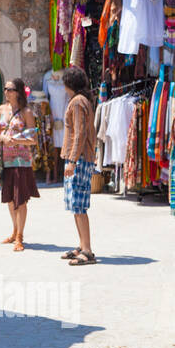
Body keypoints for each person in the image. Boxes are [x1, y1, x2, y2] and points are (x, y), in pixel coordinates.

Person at [0, 78, 39, 251]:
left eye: (10, 89)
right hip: (6, 160)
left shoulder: (26, 112)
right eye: (5, 88)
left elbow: (33, 139)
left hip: (22, 161)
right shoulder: (1, 109)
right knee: (10, 199)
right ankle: (14, 231)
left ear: (19, 91)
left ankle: (20, 236)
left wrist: (17, 140)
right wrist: (4, 138)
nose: (7, 92)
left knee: (20, 199)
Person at [61, 65, 99, 266]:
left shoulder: (77, 102)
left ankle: (87, 250)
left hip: (80, 158)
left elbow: (80, 133)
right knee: (76, 204)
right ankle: (82, 244)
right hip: (80, 157)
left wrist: (73, 161)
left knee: (79, 205)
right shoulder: (81, 100)